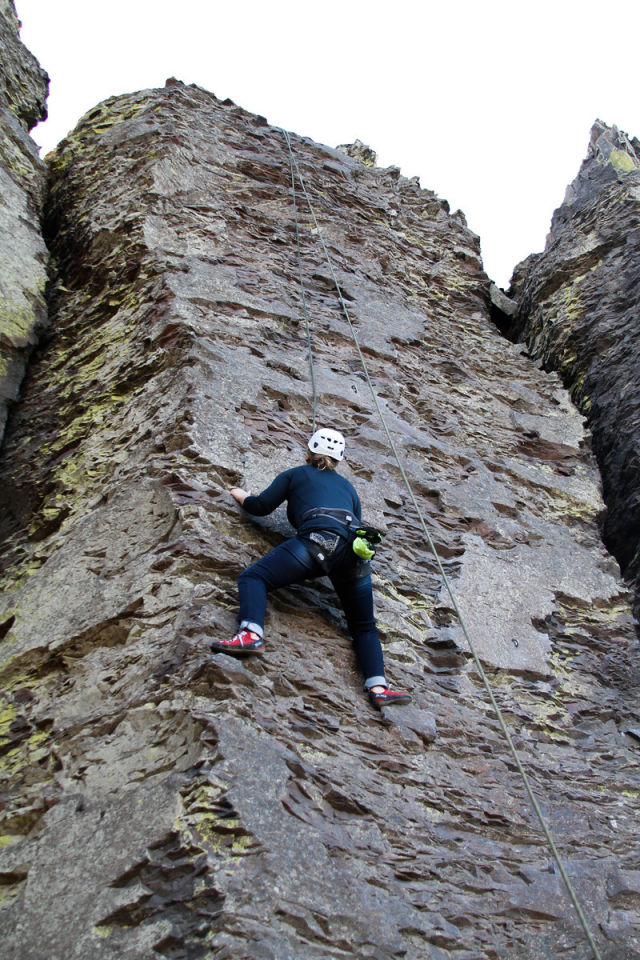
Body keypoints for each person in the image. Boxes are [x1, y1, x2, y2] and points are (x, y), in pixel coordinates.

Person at [211, 427, 412, 710]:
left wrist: (240, 494)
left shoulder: (295, 474)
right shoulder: (349, 488)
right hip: (355, 552)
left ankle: (251, 635)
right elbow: (355, 520)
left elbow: (261, 506)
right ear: (338, 459)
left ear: (309, 451)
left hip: (319, 541)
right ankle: (378, 688)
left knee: (254, 577)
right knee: (364, 626)